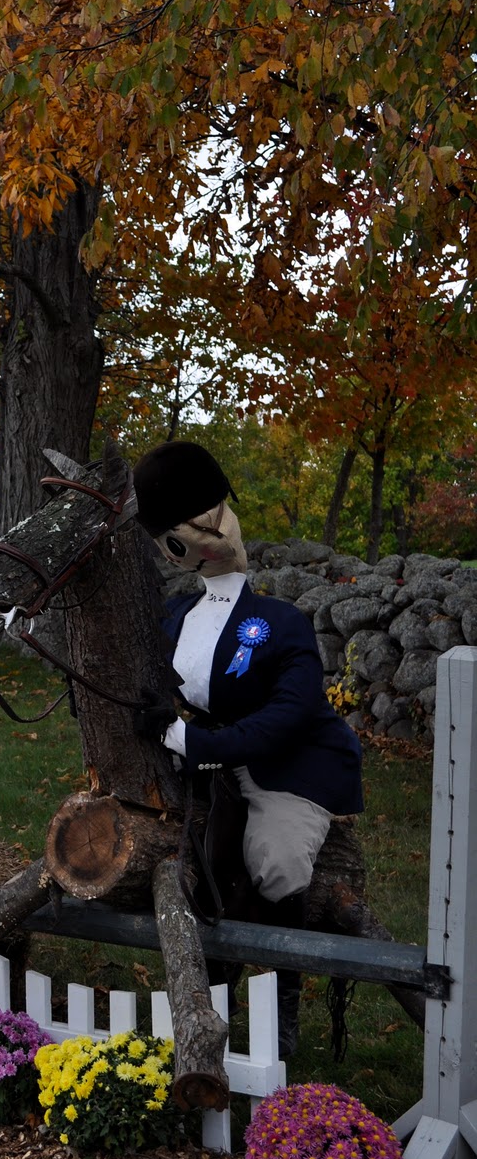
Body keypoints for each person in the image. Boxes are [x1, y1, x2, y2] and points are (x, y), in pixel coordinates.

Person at [131, 440, 364, 1056]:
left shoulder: (281, 622)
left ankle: (285, 997)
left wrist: (193, 740)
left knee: (275, 857)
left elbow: (288, 716)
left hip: (286, 763)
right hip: (204, 763)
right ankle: (210, 994)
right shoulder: (173, 616)